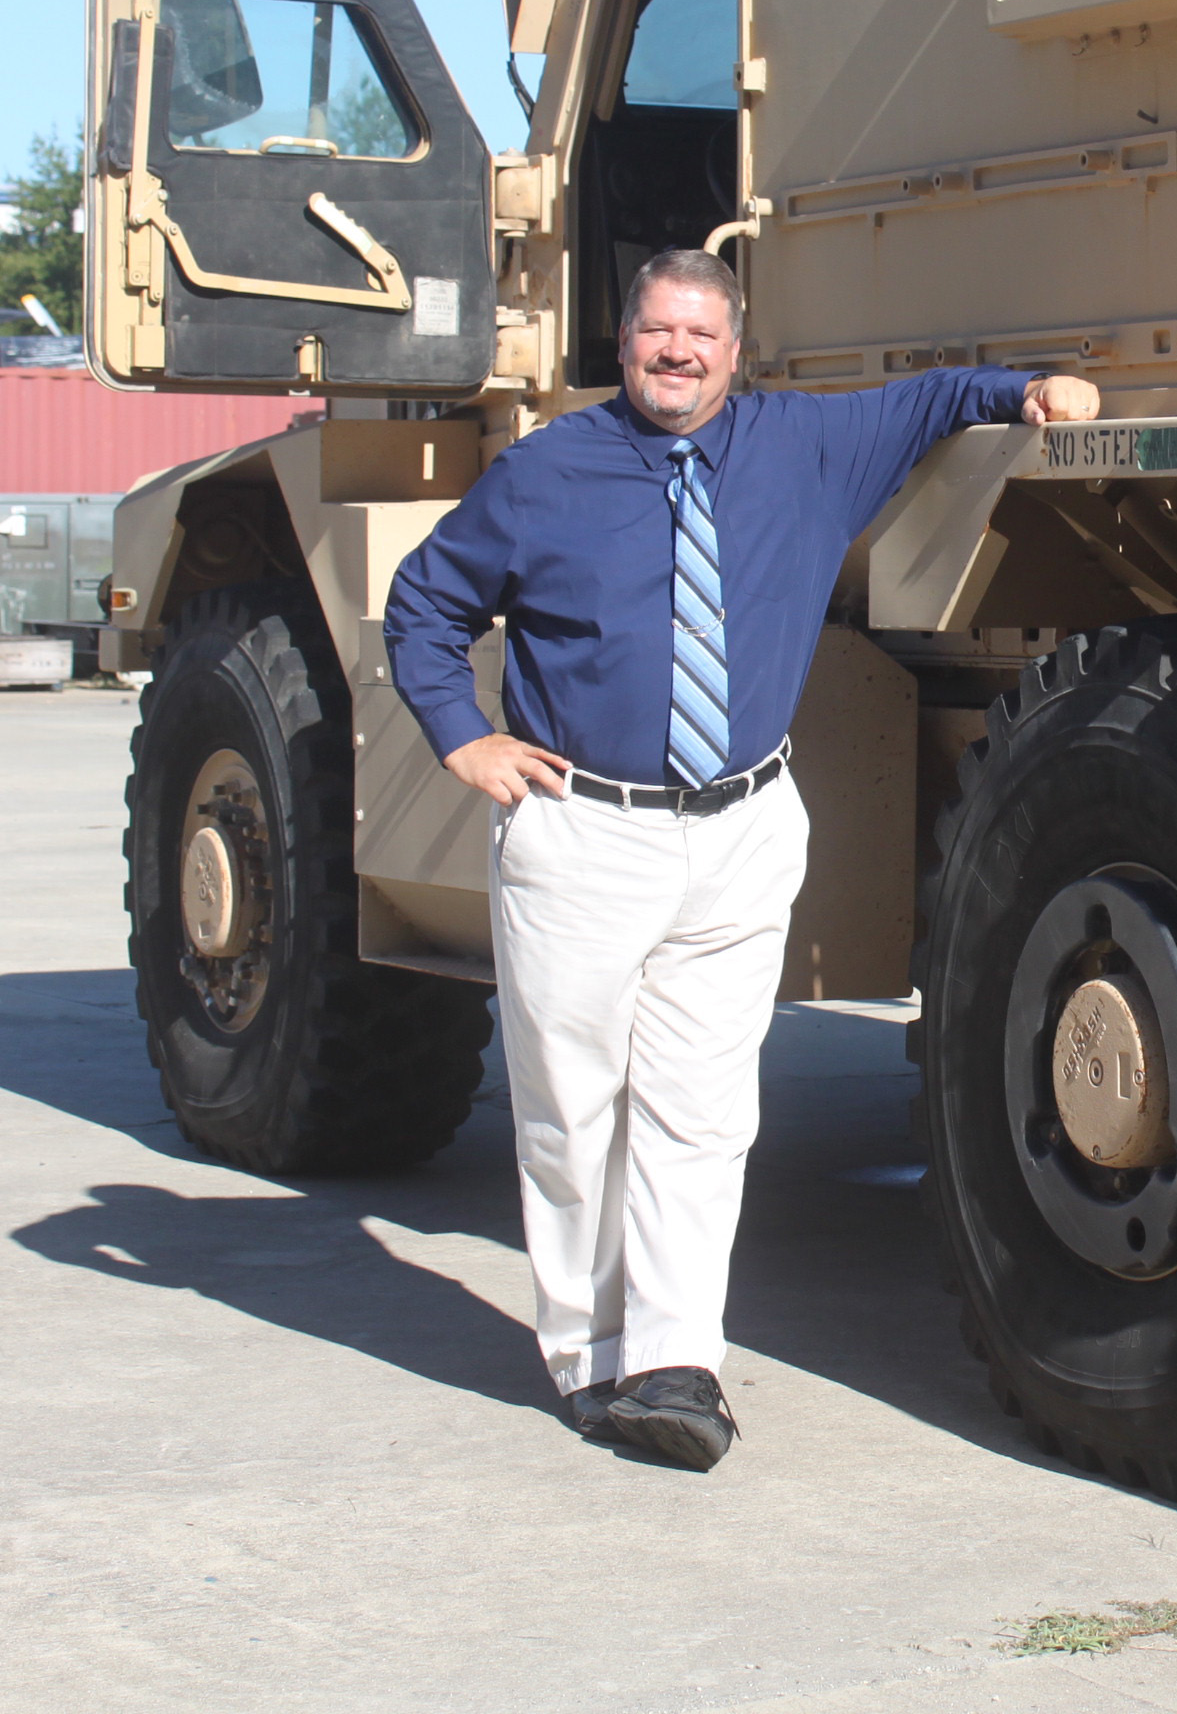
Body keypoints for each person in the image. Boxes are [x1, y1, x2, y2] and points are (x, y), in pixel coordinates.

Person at [385, 248, 1099, 1470]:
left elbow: (930, 400)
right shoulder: (544, 472)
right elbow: (424, 606)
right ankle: (586, 1353)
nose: (679, 354)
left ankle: (675, 1362)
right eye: (659, 333)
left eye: (701, 337)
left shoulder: (803, 446)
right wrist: (465, 739)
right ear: (625, 344)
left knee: (703, 1111)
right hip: (583, 833)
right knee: (572, 1111)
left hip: (740, 828)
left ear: (735, 352)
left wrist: (1036, 388)